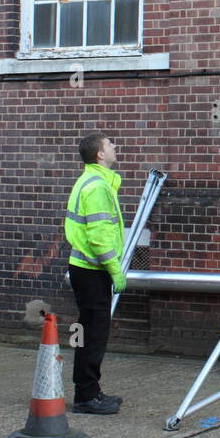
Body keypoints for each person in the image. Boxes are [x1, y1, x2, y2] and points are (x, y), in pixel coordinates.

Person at [64, 131, 126, 414]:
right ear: (100, 154)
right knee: (94, 334)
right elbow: (100, 236)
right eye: (110, 144)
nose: (115, 147)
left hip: (86, 269)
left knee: (90, 332)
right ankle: (87, 397)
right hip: (92, 270)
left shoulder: (92, 181)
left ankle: (90, 392)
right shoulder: (98, 187)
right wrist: (115, 270)